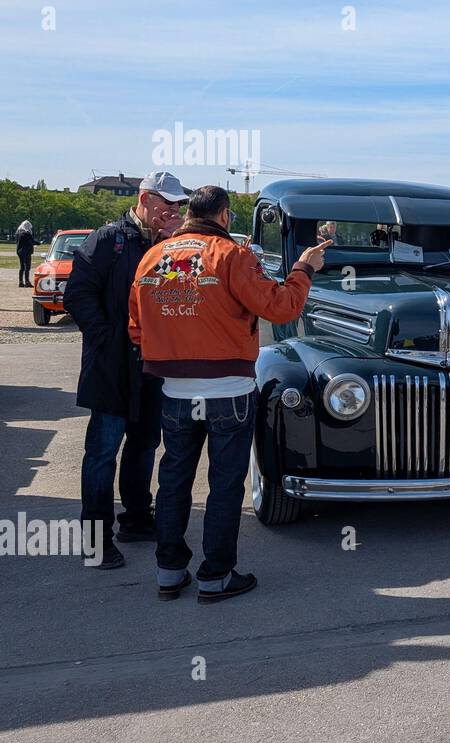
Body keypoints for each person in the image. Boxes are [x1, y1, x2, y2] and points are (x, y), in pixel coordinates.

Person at [129, 186, 329, 602]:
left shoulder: (153, 257)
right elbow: (280, 307)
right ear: (223, 217)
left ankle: (168, 571)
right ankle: (216, 575)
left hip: (175, 391)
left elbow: (136, 326)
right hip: (229, 390)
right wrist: (305, 268)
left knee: (173, 480)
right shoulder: (232, 256)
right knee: (224, 484)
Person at [64, 172, 188, 570]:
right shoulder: (107, 239)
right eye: (167, 203)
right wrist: (105, 339)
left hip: (152, 366)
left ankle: (136, 518)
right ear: (145, 198)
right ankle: (95, 541)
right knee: (102, 451)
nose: (173, 210)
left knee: (144, 445)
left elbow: (182, 293)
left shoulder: (171, 245)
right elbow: (77, 295)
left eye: (179, 205)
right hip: (112, 366)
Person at [15, 220, 35, 287]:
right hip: (26, 251)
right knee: (27, 267)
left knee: (22, 267)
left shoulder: (18, 233)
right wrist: (39, 243)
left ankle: (20, 282)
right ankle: (27, 282)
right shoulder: (26, 233)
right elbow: (31, 242)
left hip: (19, 251)